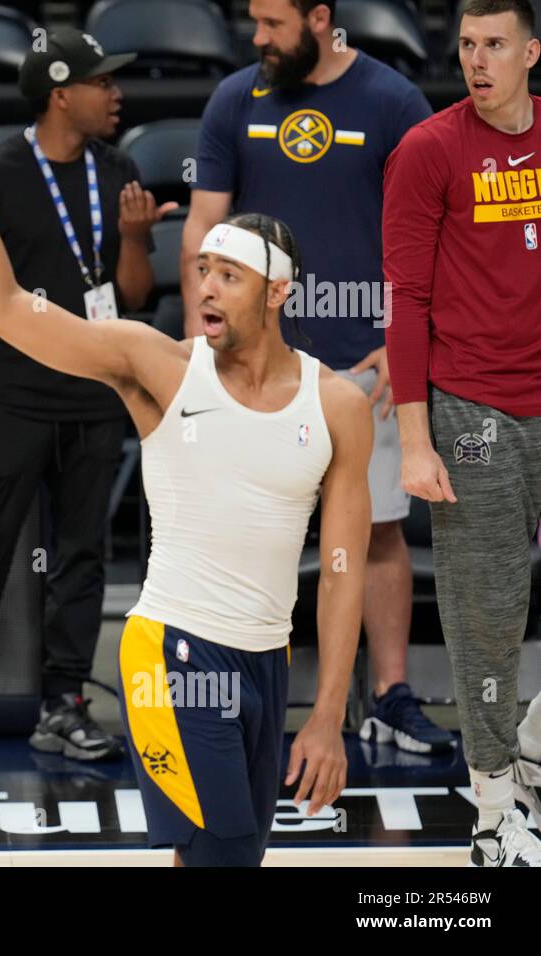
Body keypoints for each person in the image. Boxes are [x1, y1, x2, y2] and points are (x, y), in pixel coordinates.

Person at [0, 138, 370, 866]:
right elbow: (0, 305)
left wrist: (330, 715)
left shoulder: (338, 405)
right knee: (229, 854)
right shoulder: (159, 366)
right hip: (171, 652)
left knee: (221, 855)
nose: (206, 287)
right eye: (202, 271)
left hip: (266, 660)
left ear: (279, 292)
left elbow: (343, 570)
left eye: (230, 276)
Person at [182, 0, 448, 753]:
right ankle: (226, 693)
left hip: (370, 362)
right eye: (254, 25)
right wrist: (200, 342)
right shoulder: (236, 98)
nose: (257, 39)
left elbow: (433, 232)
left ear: (320, 17)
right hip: (254, 365)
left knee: (380, 532)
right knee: (239, 530)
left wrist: (408, 344)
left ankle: (390, 697)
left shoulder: (393, 101)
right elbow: (206, 225)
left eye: (273, 24)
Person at [0, 29, 171, 768]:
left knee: (82, 556)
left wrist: (137, 240)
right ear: (61, 94)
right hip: (11, 398)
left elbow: (132, 296)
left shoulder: (117, 167)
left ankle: (64, 703)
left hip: (94, 395)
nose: (116, 96)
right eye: (101, 84)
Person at [383, 0, 541, 867]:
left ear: (531, 52)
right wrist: (414, 438)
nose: (476, 61)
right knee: (487, 617)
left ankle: (535, 749)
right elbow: (405, 298)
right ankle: (492, 808)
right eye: (466, 45)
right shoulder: (429, 150)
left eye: (493, 46)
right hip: (472, 410)